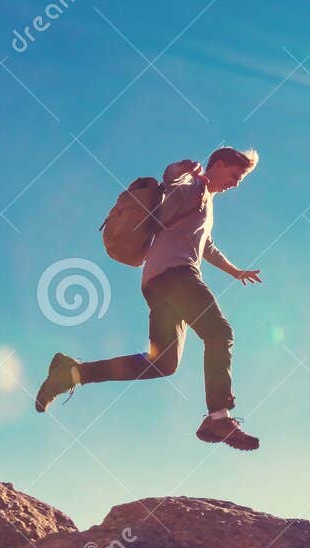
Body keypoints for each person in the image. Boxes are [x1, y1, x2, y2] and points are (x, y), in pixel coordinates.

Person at [35, 146, 264, 451]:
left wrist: (234, 271)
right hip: (176, 275)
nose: (236, 183)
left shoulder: (205, 202)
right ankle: (218, 417)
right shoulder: (192, 185)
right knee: (219, 333)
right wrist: (184, 167)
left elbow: (206, 245)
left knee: (162, 363)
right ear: (218, 164)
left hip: (157, 281)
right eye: (235, 175)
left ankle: (72, 373)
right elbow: (170, 178)